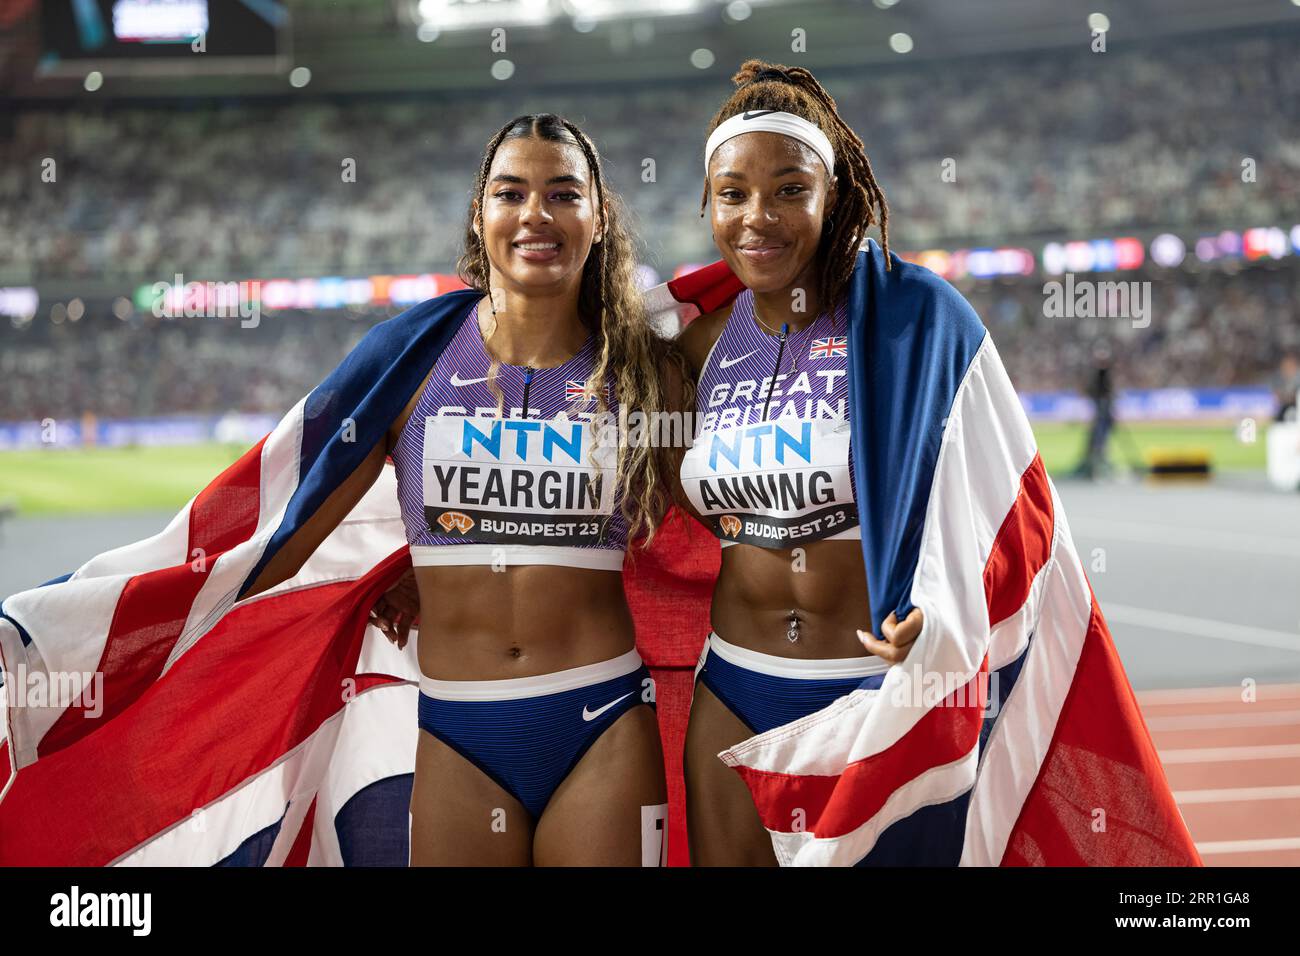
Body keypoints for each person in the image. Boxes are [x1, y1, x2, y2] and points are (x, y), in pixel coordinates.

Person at [255, 114, 683, 866]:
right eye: (511, 193)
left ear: (598, 215)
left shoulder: (647, 372)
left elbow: (727, 526)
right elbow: (278, 537)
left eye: (562, 194)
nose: (535, 216)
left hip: (603, 722)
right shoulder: (410, 357)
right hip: (459, 730)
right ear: (480, 215)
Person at [672, 61, 923, 866]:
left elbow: (981, 503)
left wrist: (942, 608)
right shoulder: (696, 349)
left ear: (833, 195)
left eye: (789, 189)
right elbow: (605, 496)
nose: (758, 217)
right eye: (733, 192)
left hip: (869, 687)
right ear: (709, 204)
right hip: (733, 688)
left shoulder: (895, 329)